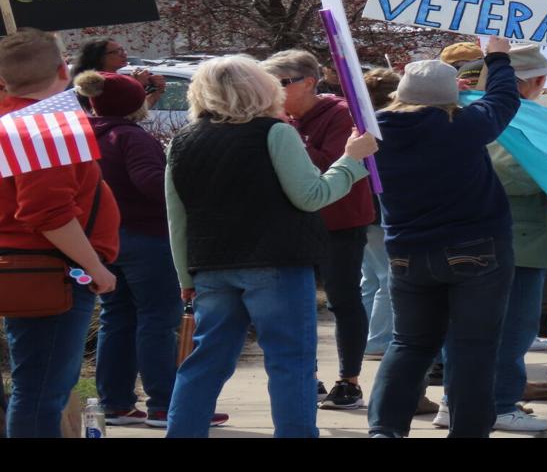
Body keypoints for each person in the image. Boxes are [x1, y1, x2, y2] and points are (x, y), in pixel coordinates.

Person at [164, 55, 377, 438]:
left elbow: (177, 217)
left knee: (205, 362)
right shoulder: (275, 132)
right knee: (290, 362)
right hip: (277, 261)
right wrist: (352, 161)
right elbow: (311, 196)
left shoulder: (183, 140)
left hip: (211, 263)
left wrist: (185, 274)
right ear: (260, 88)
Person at [365, 36, 521, 439]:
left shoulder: (372, 134)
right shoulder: (464, 125)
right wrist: (498, 56)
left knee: (409, 344)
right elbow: (505, 98)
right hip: (476, 250)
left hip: (406, 253)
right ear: (452, 96)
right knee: (474, 348)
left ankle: (385, 428)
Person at [78, 69, 225, 429]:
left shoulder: (84, 135)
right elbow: (149, 182)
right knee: (158, 320)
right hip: (145, 236)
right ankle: (164, 403)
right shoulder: (132, 137)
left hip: (103, 241)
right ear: (134, 103)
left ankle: (115, 402)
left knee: (117, 318)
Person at [1, 29, 120, 438]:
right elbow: (47, 213)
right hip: (53, 273)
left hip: (37, 268)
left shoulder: (14, 116)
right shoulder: (40, 125)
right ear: (61, 69)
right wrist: (95, 269)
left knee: (39, 387)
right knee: (42, 391)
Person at [264, 50, 378, 411]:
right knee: (293, 304)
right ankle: (308, 377)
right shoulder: (278, 120)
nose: (273, 92)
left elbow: (329, 167)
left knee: (343, 300)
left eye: (281, 83)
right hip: (292, 223)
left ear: (309, 82)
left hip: (339, 221)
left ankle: (349, 381)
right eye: (267, 84)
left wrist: (285, 138)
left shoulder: (342, 114)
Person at [473, 45, 547, 433]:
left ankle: (462, 401)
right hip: (517, 236)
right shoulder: (514, 116)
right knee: (513, 327)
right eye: (542, 80)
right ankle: (501, 403)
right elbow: (507, 174)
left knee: (478, 327)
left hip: (500, 234)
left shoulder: (477, 110)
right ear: (536, 81)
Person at [359, 67, 400, 359]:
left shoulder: (361, 124)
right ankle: (378, 340)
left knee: (371, 277)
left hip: (363, 209)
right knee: (386, 277)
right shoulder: (386, 126)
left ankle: (364, 338)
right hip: (379, 209)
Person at [71, 38, 164, 109]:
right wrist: (136, 84)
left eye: (123, 50)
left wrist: (157, 90)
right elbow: (120, 111)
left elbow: (138, 110)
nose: (124, 54)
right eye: (116, 52)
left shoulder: (117, 79)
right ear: (98, 57)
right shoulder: (94, 84)